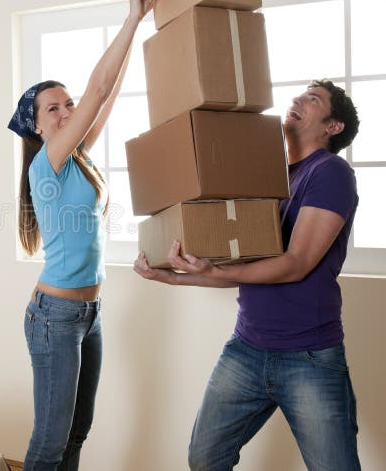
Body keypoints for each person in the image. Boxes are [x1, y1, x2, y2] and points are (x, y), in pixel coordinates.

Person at [134, 80, 361, 470]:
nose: (297, 100)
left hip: (308, 355)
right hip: (247, 348)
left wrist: (213, 269)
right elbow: (248, 271)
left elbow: (296, 263)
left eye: (312, 99)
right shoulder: (269, 178)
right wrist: (174, 277)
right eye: (300, 95)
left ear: (332, 126)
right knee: (205, 459)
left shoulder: (330, 173)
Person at [8, 0, 159, 471]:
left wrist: (136, 38)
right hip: (55, 319)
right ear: (36, 124)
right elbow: (96, 89)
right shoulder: (45, 164)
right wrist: (131, 17)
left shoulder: (79, 158)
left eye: (68, 104)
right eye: (54, 108)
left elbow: (105, 94)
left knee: (77, 434)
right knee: (49, 443)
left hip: (89, 315)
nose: (67, 111)